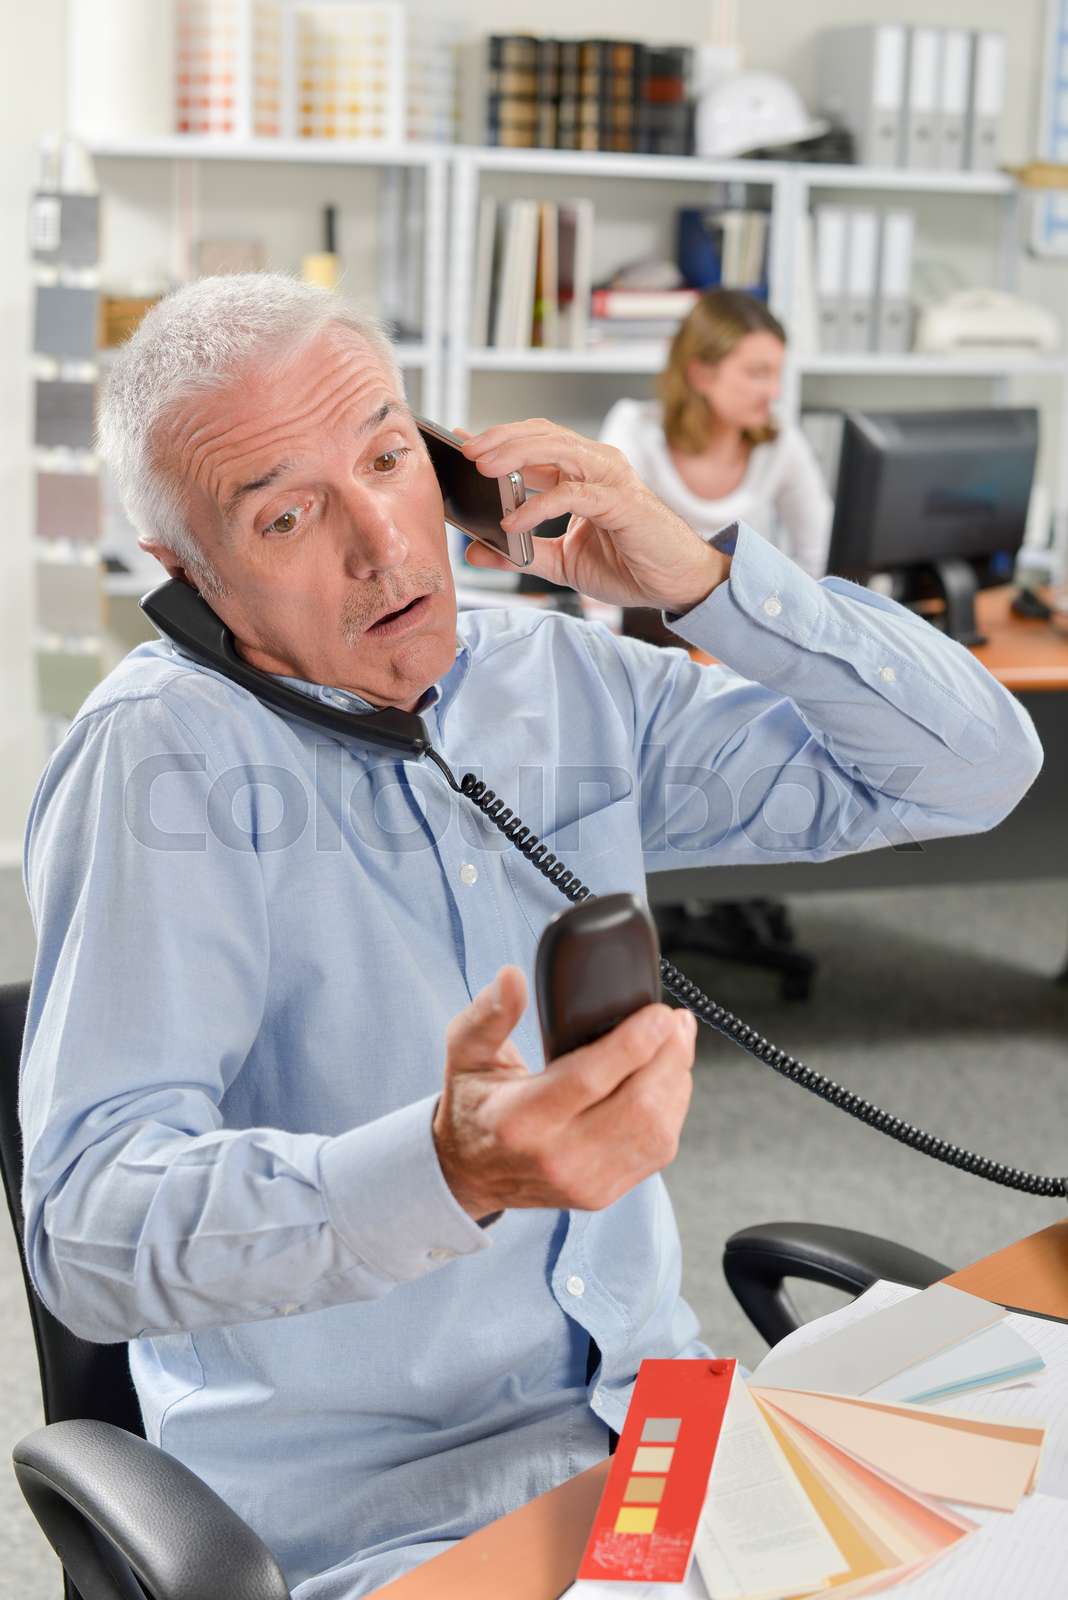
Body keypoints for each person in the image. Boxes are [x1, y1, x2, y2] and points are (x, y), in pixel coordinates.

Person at [19, 274, 1042, 1600]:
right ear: (189, 576)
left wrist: (704, 580)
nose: (385, 545)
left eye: (389, 460)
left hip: (665, 1440)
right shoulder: (155, 765)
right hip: (393, 1518)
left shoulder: (548, 680)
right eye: (285, 514)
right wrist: (445, 1171)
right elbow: (86, 1234)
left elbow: (970, 771)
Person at [600, 289, 831, 584]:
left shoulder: (781, 442)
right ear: (701, 375)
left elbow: (818, 556)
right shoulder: (633, 430)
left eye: (777, 374)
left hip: (747, 626)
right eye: (757, 373)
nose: (774, 393)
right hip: (643, 622)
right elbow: (603, 550)